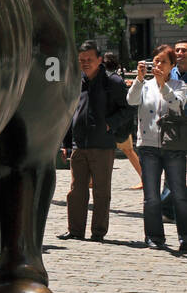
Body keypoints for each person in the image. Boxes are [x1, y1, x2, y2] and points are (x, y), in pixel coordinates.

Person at [59, 41, 131, 242]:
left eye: (89, 59)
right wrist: (66, 143)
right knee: (76, 191)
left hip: (102, 146)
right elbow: (69, 114)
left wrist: (110, 124)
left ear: (100, 60)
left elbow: (127, 109)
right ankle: (75, 231)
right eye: (81, 60)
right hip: (79, 145)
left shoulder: (113, 82)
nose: (85, 63)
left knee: (101, 191)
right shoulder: (75, 81)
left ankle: (98, 232)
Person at [127, 45, 187, 253]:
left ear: (172, 65)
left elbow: (177, 105)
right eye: (156, 61)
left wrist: (163, 85)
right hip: (148, 146)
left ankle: (184, 237)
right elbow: (131, 100)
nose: (158, 65)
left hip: (174, 146)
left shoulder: (179, 85)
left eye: (163, 61)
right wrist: (139, 79)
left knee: (179, 193)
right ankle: (154, 236)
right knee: (151, 195)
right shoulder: (144, 85)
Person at [102, 51, 142, 188]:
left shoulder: (112, 79)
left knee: (118, 151)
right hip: (120, 122)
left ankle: (144, 178)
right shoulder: (115, 77)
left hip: (117, 123)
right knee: (126, 151)